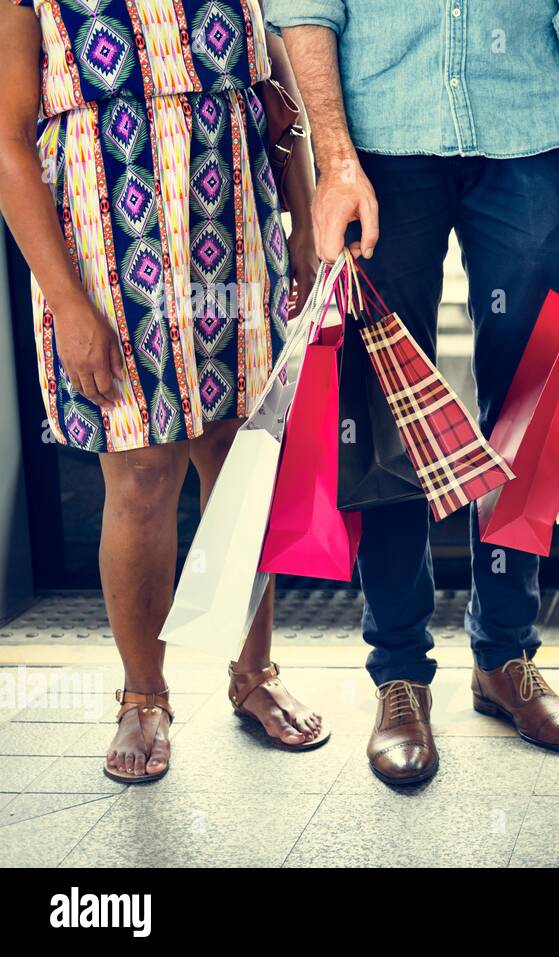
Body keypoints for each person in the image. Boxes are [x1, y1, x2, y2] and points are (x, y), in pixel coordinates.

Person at [269, 0, 559, 784]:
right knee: (386, 408)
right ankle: (399, 671)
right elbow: (305, 6)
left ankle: (505, 654)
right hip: (381, 134)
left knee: (530, 404)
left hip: (532, 131)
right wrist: (335, 158)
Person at [0, 0, 327, 783]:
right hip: (105, 246)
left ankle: (253, 672)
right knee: (143, 472)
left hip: (234, 222)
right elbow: (7, 141)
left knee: (240, 460)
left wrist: (305, 217)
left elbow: (275, 80)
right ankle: (143, 693)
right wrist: (66, 302)